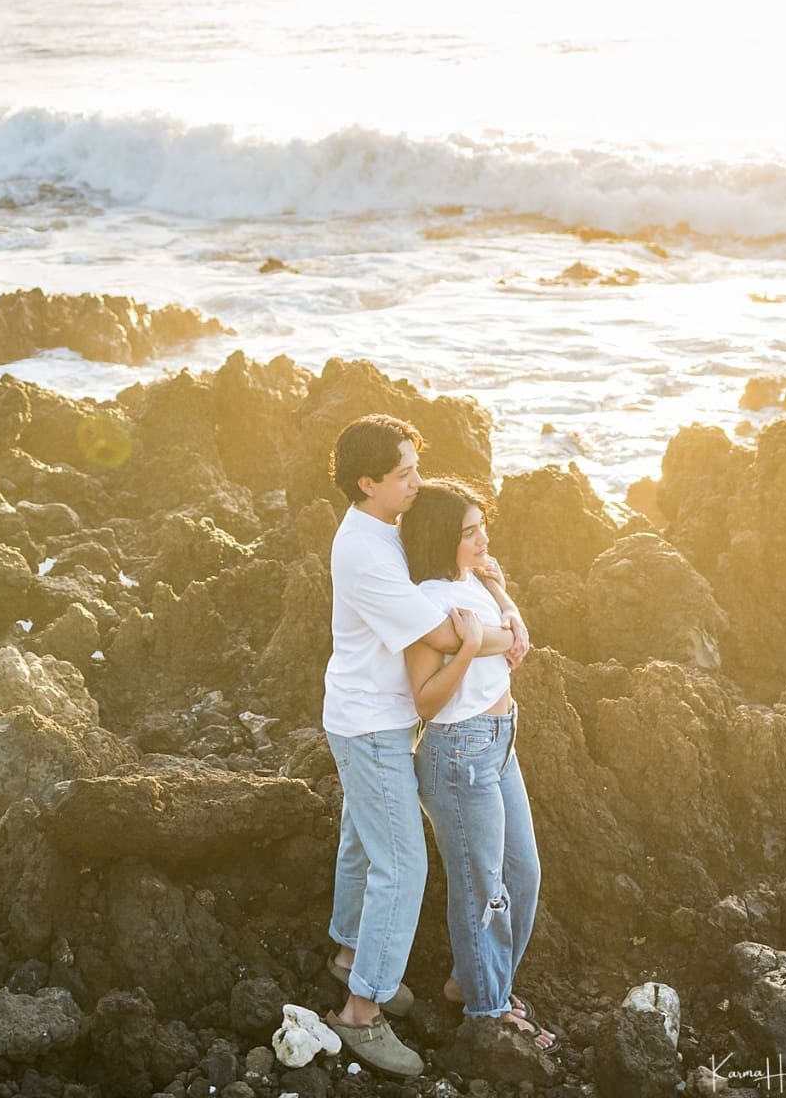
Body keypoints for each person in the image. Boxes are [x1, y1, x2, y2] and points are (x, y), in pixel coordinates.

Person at [322, 414, 529, 1077]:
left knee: (363, 836)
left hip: (378, 715)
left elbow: (454, 612)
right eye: (404, 473)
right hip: (373, 723)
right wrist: (504, 633)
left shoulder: (388, 532)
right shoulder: (366, 552)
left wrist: (496, 603)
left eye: (416, 467)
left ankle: (353, 954)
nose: (417, 481)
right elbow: (444, 637)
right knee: (403, 865)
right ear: (367, 482)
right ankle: (361, 1013)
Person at [401, 478, 557, 1053]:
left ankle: (473, 982)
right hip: (459, 750)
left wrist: (506, 604)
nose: (482, 537)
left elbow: (511, 631)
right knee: (482, 889)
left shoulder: (473, 580)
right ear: (443, 537)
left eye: (481, 526)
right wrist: (470, 648)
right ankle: (489, 1012)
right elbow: (424, 700)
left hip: (501, 740)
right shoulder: (425, 601)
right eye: (469, 532)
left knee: (523, 876)